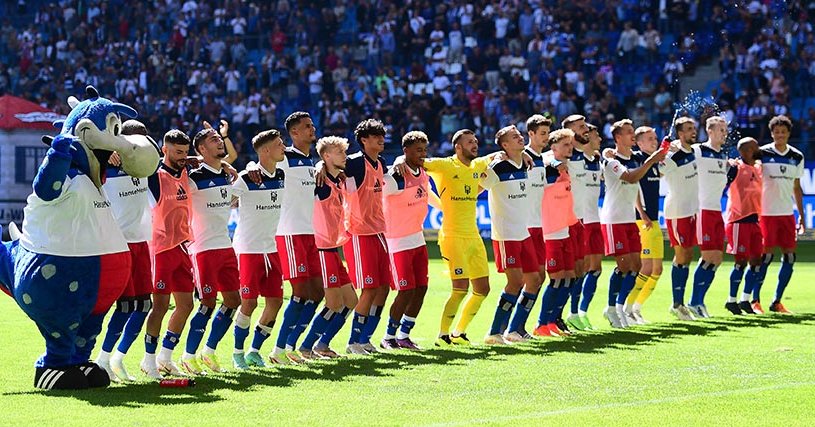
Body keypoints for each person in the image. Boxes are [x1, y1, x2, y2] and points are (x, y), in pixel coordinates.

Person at [406, 129, 494, 347]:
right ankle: (442, 335)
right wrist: (400, 159)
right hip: (453, 236)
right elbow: (415, 159)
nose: (475, 145)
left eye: (476, 141)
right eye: (469, 142)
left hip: (473, 237)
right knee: (460, 288)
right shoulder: (444, 165)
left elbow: (498, 155)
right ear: (458, 147)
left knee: (483, 289)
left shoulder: (478, 165)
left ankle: (459, 333)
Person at [96, 120, 155, 382]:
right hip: (118, 243)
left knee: (144, 305)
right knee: (124, 305)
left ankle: (118, 357)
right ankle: (102, 359)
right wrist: (105, 154)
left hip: (141, 241)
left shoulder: (146, 166)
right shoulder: (106, 165)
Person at [180, 127, 242, 374]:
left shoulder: (227, 175)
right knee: (206, 302)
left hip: (225, 246)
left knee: (233, 300)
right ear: (202, 149)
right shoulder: (193, 178)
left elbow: (234, 184)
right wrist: (190, 160)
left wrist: (230, 169)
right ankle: (188, 355)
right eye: (213, 140)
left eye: (220, 139)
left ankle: (209, 351)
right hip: (203, 248)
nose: (219, 142)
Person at [269, 112, 325, 365]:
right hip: (290, 234)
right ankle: (278, 349)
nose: (312, 129)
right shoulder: (286, 158)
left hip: (309, 233)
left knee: (318, 293)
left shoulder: (310, 161)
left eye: (312, 125)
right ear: (294, 133)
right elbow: (260, 166)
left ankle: (292, 345)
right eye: (306, 127)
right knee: (301, 292)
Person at [140, 130, 195, 379]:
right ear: (165, 150)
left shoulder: (185, 170)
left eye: (186, 152)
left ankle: (165, 356)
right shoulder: (155, 176)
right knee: (160, 306)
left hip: (182, 247)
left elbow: (210, 160)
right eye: (178, 152)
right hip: (161, 250)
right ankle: (148, 360)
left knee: (186, 305)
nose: (183, 157)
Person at [600, 120, 666, 328]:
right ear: (618, 138)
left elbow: (634, 186)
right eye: (629, 132)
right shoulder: (611, 161)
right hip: (614, 220)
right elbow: (630, 178)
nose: (632, 135)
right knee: (624, 265)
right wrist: (652, 160)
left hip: (629, 220)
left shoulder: (630, 159)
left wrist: (641, 211)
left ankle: (620, 308)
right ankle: (611, 308)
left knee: (636, 266)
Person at [230, 130, 286, 369]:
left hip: (270, 249)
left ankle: (254, 351)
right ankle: (237, 353)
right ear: (265, 151)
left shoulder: (282, 174)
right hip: (248, 249)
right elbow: (226, 201)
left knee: (275, 302)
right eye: (279, 144)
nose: (284, 147)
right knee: (249, 303)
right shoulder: (246, 178)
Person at [299, 136, 358, 358]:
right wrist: (317, 168)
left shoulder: (337, 181)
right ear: (326, 156)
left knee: (351, 301)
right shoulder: (319, 183)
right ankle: (306, 346)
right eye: (340, 152)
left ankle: (322, 344)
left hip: (332, 248)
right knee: (332, 303)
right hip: (321, 249)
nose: (345, 156)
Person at [481, 125, 540, 344]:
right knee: (514, 282)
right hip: (506, 234)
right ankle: (494, 332)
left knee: (534, 280)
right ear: (504, 145)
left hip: (523, 232)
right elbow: (478, 186)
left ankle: (515, 330)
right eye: (514, 137)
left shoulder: (523, 162)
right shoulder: (498, 167)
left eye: (520, 135)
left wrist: (523, 154)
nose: (520, 138)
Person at [380, 131, 435, 350]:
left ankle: (404, 335)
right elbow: (376, 187)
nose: (422, 154)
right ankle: (388, 336)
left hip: (418, 239)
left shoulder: (422, 171)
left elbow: (428, 193)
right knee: (406, 290)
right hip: (398, 241)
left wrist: (447, 209)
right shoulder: (396, 176)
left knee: (421, 288)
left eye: (424, 149)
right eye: (417, 150)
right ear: (406, 151)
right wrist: (396, 163)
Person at [341, 119, 391, 355]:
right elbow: (330, 167)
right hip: (359, 233)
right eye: (375, 136)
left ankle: (366, 338)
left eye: (382, 135)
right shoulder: (353, 163)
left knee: (383, 288)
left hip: (379, 231)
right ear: (363, 140)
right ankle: (353, 342)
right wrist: (321, 167)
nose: (381, 139)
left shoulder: (380, 163)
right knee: (369, 289)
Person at [752, 115, 806, 314]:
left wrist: (801, 215)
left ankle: (777, 301)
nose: (780, 135)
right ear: (772, 133)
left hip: (786, 214)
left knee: (790, 257)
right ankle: (755, 300)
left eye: (783, 132)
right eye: (776, 132)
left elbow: (797, 188)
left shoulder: (797, 156)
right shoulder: (762, 153)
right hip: (766, 214)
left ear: (789, 134)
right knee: (765, 257)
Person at [509, 114, 551, 339]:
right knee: (529, 280)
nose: (545, 137)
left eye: (547, 133)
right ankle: (512, 327)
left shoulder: (542, 160)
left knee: (539, 279)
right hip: (525, 226)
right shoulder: (521, 158)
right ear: (530, 134)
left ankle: (518, 326)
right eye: (541, 133)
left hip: (538, 225)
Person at [535, 129, 578, 337]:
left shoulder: (566, 168)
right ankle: (542, 323)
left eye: (571, 144)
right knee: (557, 278)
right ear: (553, 148)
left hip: (565, 230)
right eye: (565, 145)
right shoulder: (549, 167)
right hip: (550, 231)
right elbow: (542, 162)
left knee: (569, 277)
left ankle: (553, 321)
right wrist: (553, 162)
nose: (570, 148)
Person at [687, 116, 730, 318]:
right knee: (708, 257)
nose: (724, 132)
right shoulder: (698, 150)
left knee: (718, 258)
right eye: (721, 129)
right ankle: (694, 301)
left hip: (716, 210)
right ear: (710, 131)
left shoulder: (723, 155)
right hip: (702, 210)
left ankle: (699, 301)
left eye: (725, 129)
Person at [623, 126, 664, 323]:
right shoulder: (638, 159)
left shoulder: (655, 163)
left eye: (655, 138)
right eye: (649, 139)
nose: (654, 141)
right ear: (639, 143)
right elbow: (634, 189)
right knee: (646, 267)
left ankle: (636, 308)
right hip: (643, 221)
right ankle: (627, 308)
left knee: (657, 269)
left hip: (654, 220)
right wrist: (642, 213)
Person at [567, 121, 604, 331]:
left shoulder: (597, 160)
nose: (599, 139)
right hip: (581, 221)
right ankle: (572, 312)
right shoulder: (572, 158)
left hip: (594, 219)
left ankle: (581, 311)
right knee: (578, 269)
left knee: (595, 269)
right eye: (596, 135)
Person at [662, 117, 700, 321]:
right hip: (677, 211)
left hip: (691, 210)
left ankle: (680, 303)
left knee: (688, 255)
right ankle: (677, 304)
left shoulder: (695, 152)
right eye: (688, 129)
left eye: (694, 128)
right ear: (680, 134)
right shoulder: (672, 156)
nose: (693, 132)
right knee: (682, 254)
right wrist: (664, 151)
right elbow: (656, 171)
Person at [723, 137, 762, 315]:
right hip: (738, 220)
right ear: (744, 151)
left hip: (755, 220)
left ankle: (745, 300)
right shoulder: (735, 167)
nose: (758, 149)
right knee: (741, 262)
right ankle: (731, 300)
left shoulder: (759, 167)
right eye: (754, 147)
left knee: (756, 261)